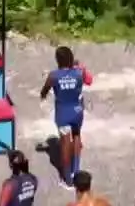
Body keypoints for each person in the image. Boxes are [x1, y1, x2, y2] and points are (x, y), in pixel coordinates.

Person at [41, 46, 93, 188]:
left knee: (64, 143)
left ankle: (68, 180)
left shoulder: (54, 75)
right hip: (77, 111)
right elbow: (89, 80)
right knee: (76, 136)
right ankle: (76, 171)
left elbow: (44, 90)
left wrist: (43, 95)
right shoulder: (79, 72)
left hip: (63, 113)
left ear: (58, 60)